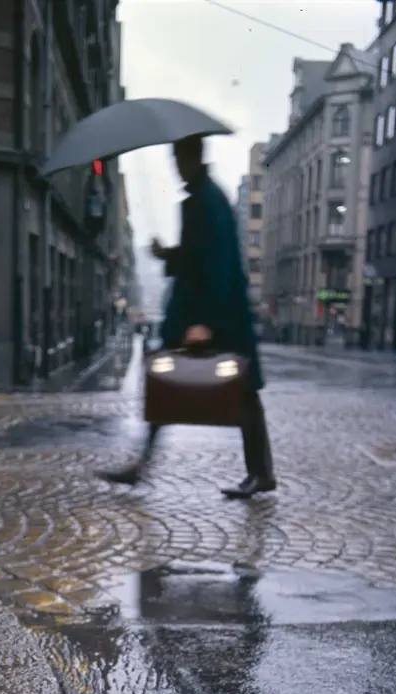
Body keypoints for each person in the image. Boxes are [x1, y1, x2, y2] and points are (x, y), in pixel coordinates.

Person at [101, 135, 275, 499]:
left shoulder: (208, 199)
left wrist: (205, 322)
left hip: (213, 313)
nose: (174, 166)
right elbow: (197, 255)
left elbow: (219, 260)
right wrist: (168, 254)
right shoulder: (200, 198)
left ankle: (260, 472)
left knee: (238, 392)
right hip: (202, 309)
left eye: (178, 158)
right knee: (170, 386)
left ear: (194, 156)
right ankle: (144, 464)